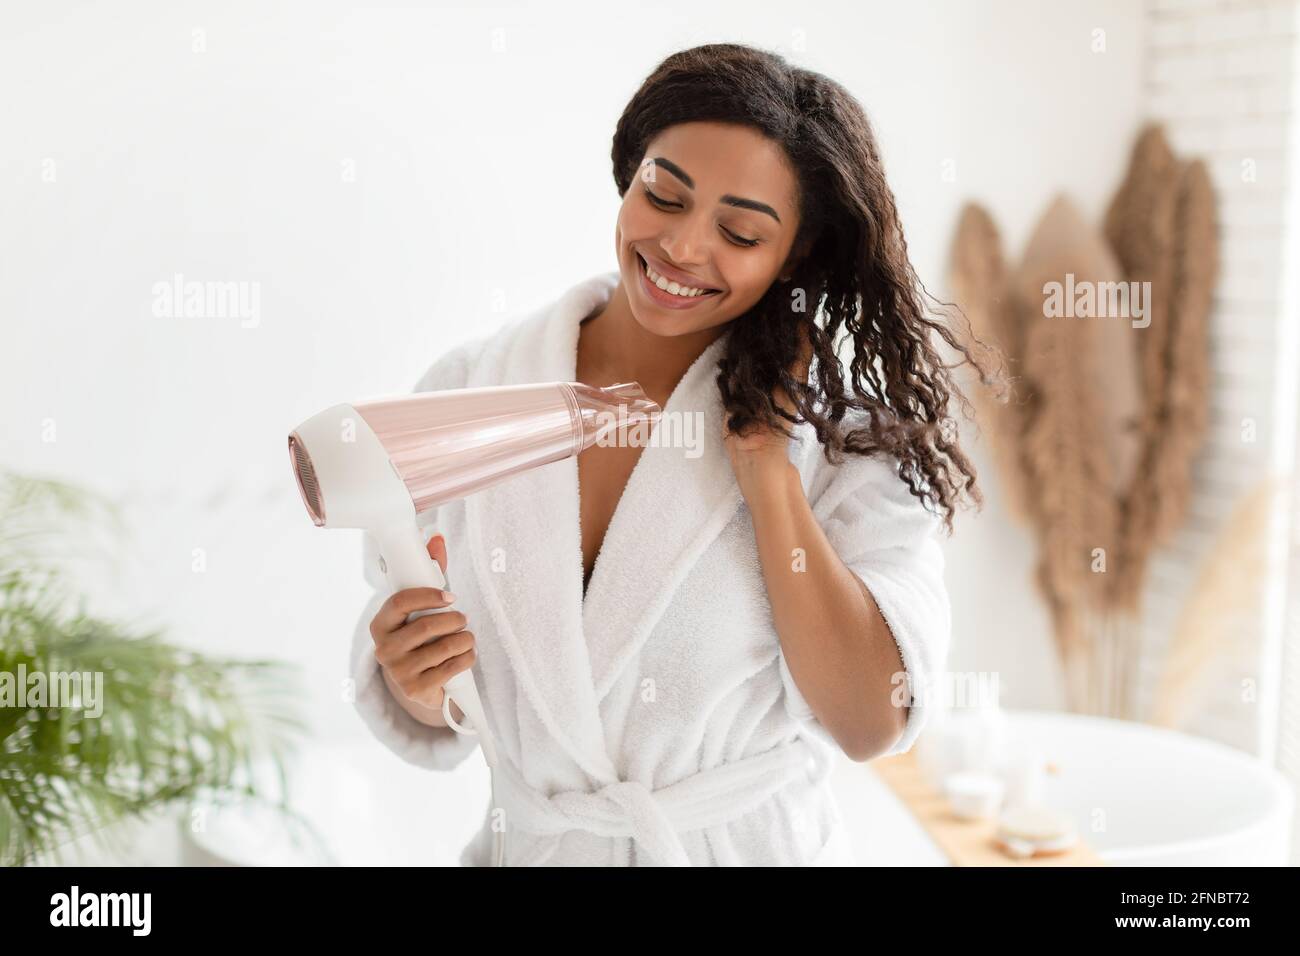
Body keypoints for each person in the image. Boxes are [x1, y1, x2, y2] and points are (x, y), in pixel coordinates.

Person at [352, 42, 994, 866]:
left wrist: (767, 473)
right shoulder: (471, 388)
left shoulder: (840, 442)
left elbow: (871, 720)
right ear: (630, 173)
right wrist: (418, 683)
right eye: (664, 194)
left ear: (794, 254)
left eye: (739, 230)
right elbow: (437, 690)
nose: (684, 247)